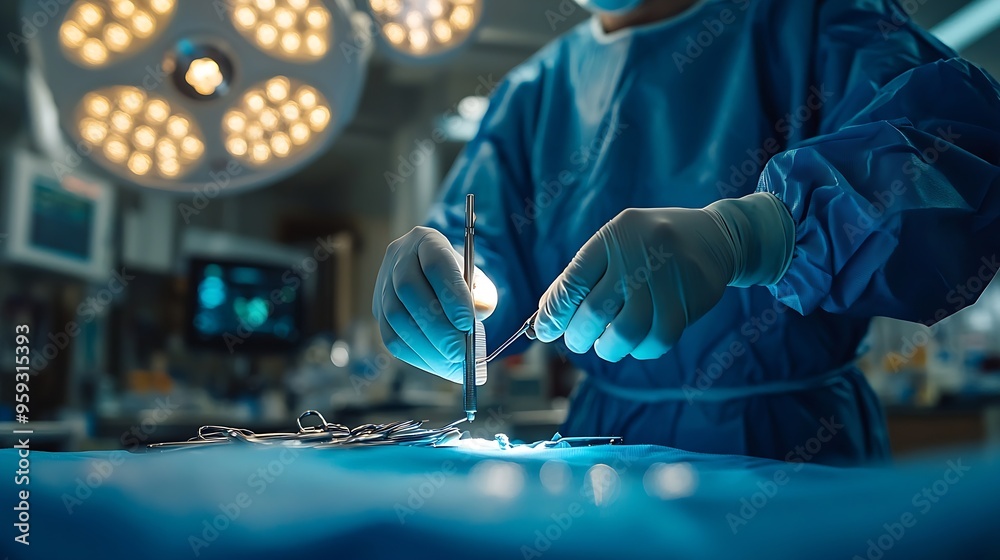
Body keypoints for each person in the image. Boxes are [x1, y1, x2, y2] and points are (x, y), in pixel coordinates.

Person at [373, 0, 1000, 466]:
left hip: (794, 446)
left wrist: (752, 235)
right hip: (599, 447)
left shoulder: (812, 18)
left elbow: (954, 149)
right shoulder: (532, 94)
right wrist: (445, 287)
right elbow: (486, 265)